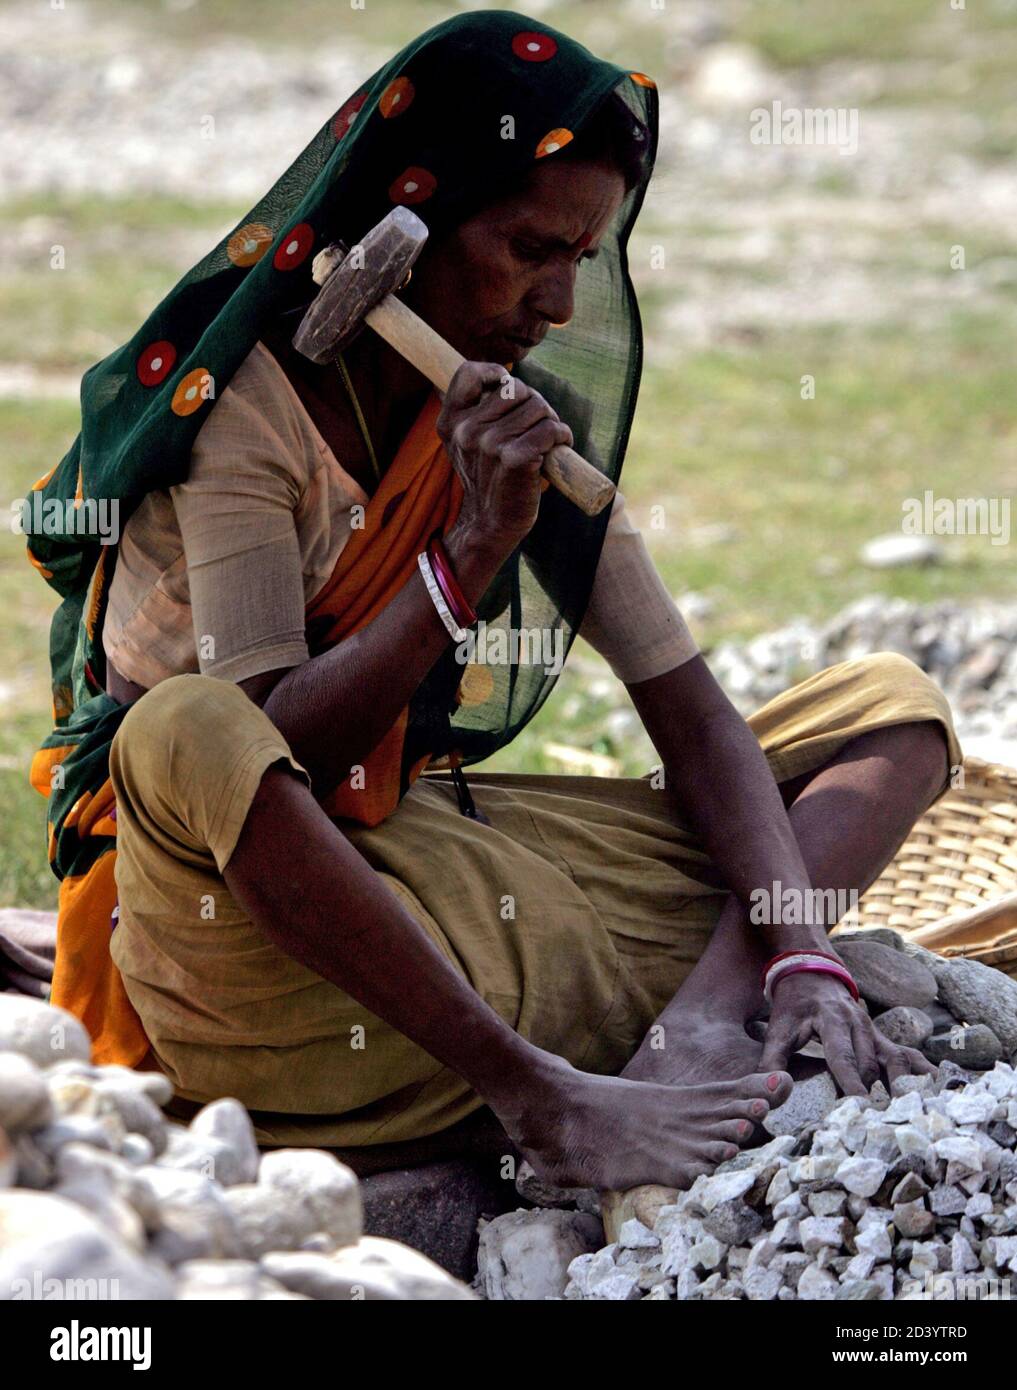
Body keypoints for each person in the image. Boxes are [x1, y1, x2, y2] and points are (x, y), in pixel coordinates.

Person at [27, 11, 960, 1193]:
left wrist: (801, 954)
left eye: (583, 254)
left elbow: (691, 713)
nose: (563, 301)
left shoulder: (498, 412)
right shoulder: (249, 422)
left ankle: (707, 1021)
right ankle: (545, 1099)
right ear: (405, 231)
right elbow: (281, 748)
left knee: (890, 708)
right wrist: (468, 552)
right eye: (531, 249)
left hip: (425, 868)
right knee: (190, 723)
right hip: (254, 938)